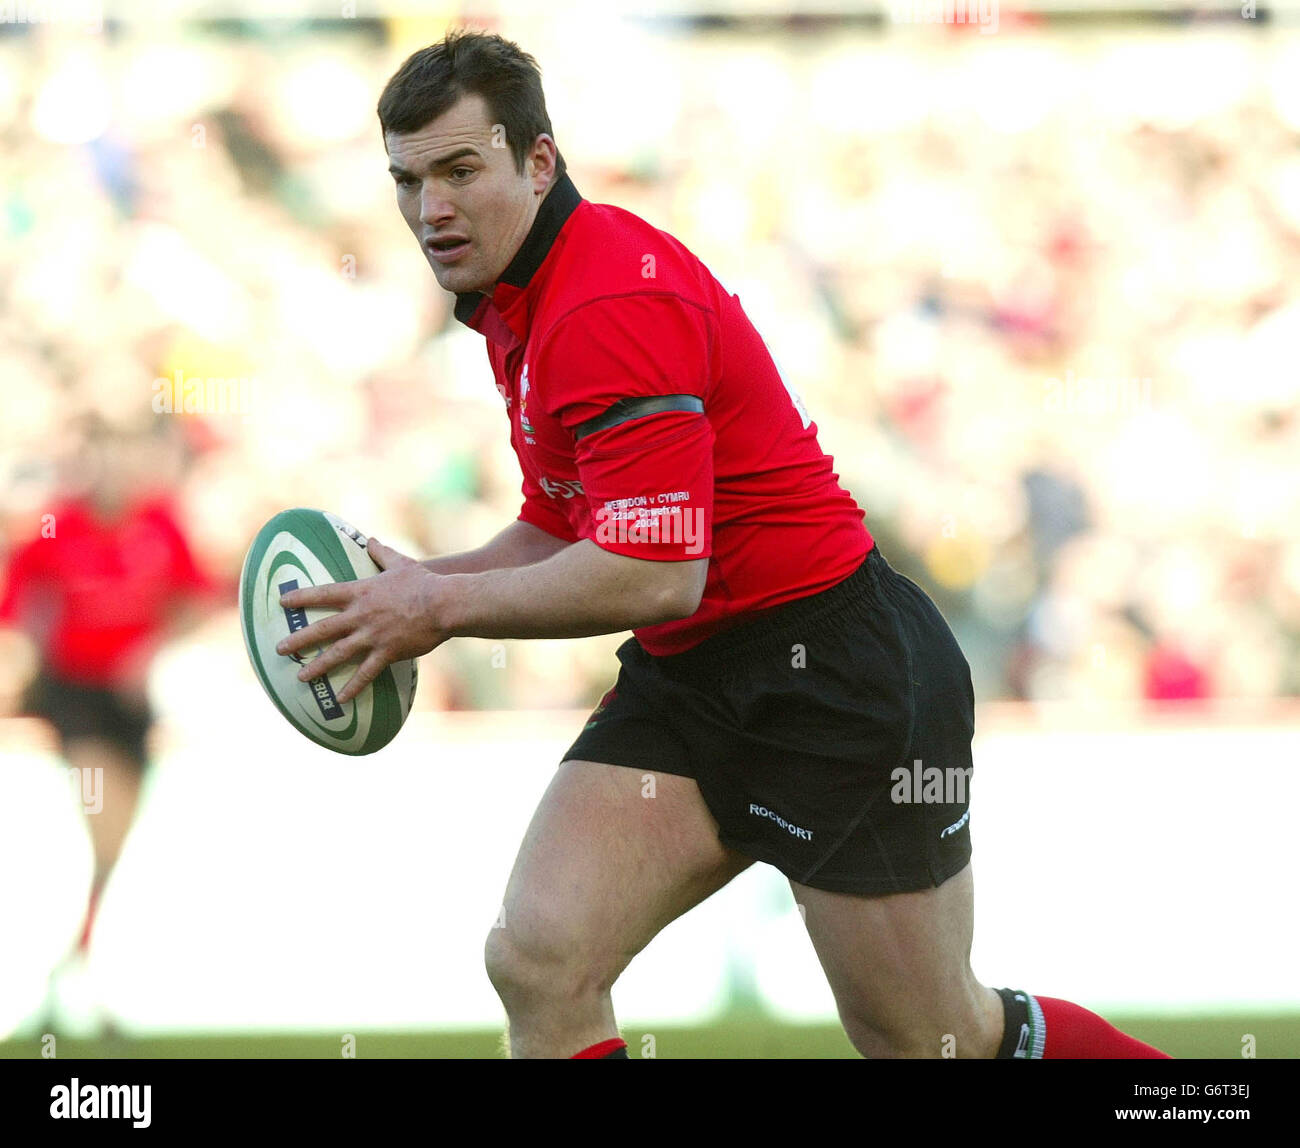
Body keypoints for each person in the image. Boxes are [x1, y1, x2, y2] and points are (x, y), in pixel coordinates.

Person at [277, 30, 1169, 1060]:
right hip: (696, 680)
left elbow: (656, 571)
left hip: (834, 680)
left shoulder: (606, 297)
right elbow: (564, 524)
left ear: (538, 161)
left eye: (459, 171)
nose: (430, 207)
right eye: (407, 180)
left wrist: (434, 606)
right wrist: (414, 585)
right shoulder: (522, 295)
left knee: (935, 1039)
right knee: (539, 960)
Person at [0, 416, 213, 1012]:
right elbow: (19, 606)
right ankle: (68, 969)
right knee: (100, 823)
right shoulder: (57, 525)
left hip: (131, 706)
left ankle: (73, 964)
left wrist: (150, 652)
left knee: (115, 847)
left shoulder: (160, 522)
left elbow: (196, 599)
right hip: (75, 697)